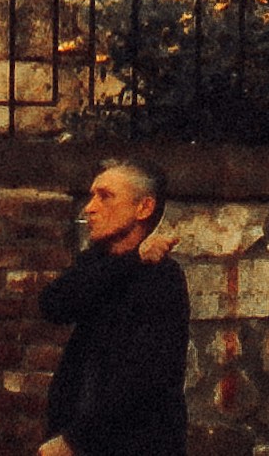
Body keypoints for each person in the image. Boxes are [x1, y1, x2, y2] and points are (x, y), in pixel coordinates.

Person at [36, 157, 187, 456]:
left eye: (105, 197)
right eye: (92, 196)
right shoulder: (99, 263)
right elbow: (54, 304)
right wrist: (132, 261)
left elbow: (142, 382)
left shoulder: (162, 279)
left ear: (143, 208)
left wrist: (75, 442)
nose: (90, 208)